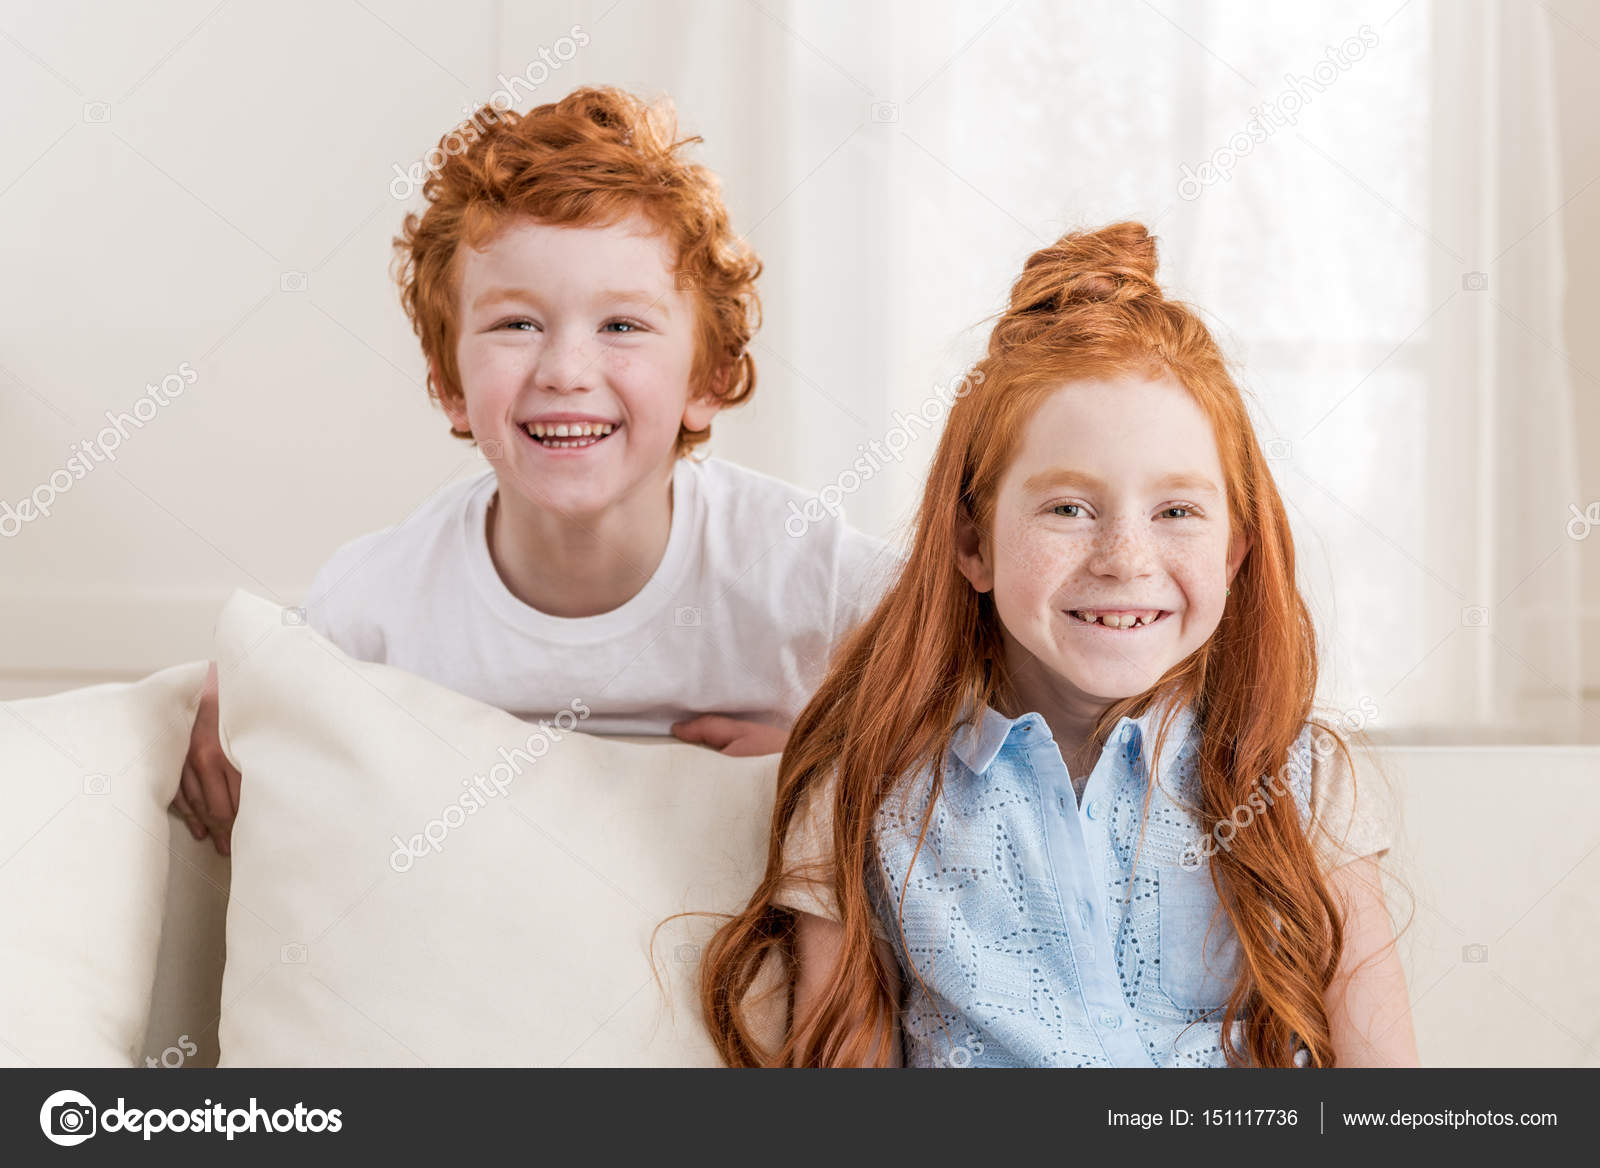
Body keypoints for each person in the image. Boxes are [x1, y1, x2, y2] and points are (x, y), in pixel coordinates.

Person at [701, 222, 1416, 1068]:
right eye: (1068, 509)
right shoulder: (866, 794)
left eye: (1177, 511)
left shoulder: (1300, 782)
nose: (1124, 558)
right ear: (973, 545)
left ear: (1233, 550)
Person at [171, 86, 895, 854]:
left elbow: (991, 691)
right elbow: (271, 723)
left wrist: (834, 758)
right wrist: (230, 696)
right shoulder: (376, 604)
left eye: (622, 324)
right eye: (517, 324)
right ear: (451, 386)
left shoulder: (802, 570)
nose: (566, 370)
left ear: (707, 380)